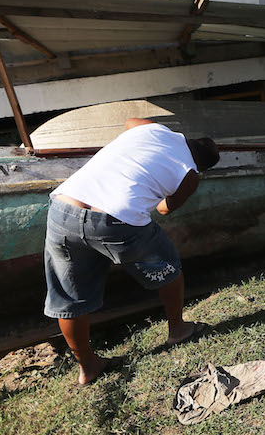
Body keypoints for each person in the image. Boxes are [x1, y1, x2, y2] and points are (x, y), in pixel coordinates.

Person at [43, 118, 220, 384]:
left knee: (70, 297)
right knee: (168, 267)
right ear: (201, 166)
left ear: (189, 139)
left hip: (63, 208)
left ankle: (88, 367)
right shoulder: (190, 175)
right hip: (115, 220)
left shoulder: (153, 130)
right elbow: (164, 209)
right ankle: (178, 330)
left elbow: (129, 121)